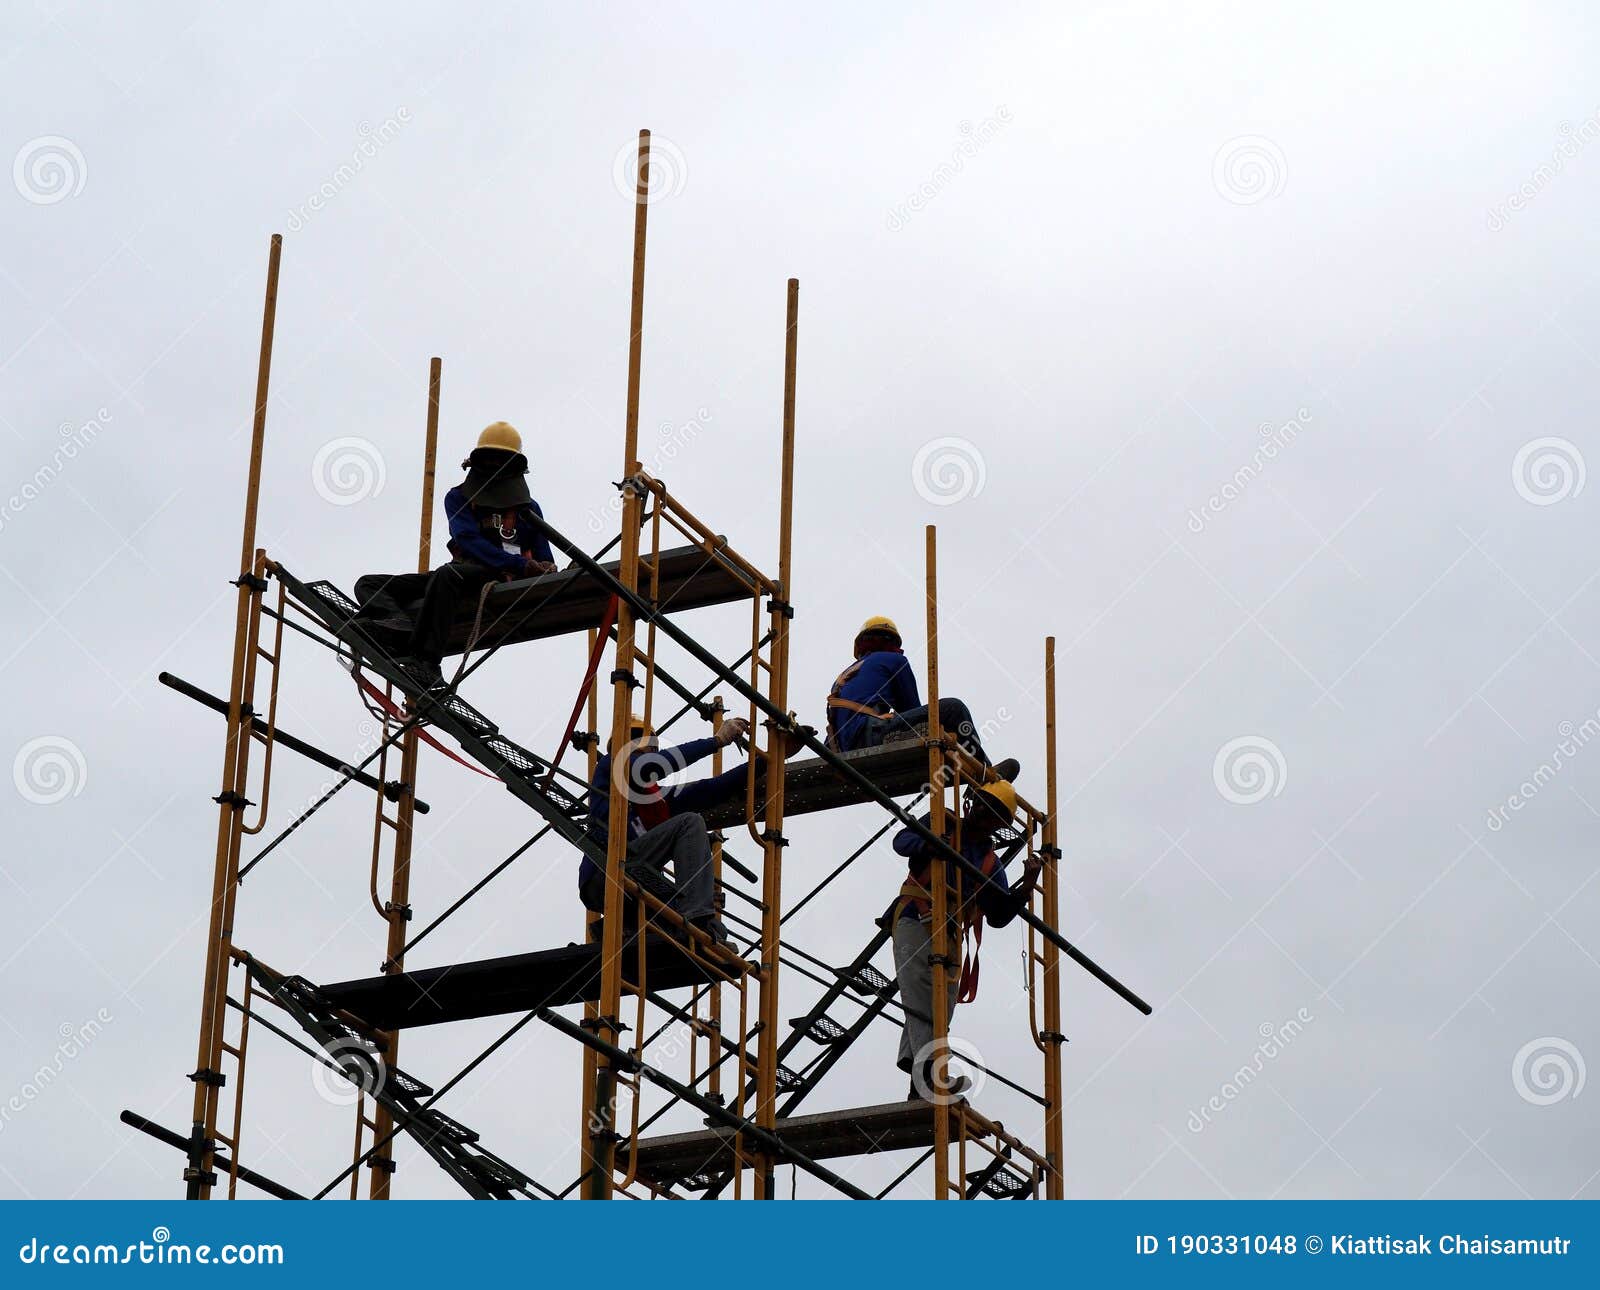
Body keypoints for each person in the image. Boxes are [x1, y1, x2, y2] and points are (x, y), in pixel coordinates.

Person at [355, 421, 557, 688]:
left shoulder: (528, 509)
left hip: (500, 577)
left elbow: (545, 555)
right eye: (491, 460)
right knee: (369, 584)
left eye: (502, 461)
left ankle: (427, 664)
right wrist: (521, 563)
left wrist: (543, 567)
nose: (496, 467)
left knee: (448, 575)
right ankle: (399, 627)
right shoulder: (460, 497)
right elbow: (466, 538)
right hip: (467, 570)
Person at [884, 778, 1042, 1100]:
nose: (982, 820)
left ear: (997, 826)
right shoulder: (943, 823)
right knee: (920, 995)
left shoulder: (988, 863)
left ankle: (920, 1086)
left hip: (950, 935)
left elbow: (997, 914)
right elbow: (901, 841)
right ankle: (931, 1077)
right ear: (973, 805)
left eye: (991, 818)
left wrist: (1026, 886)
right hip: (915, 919)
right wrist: (929, 843)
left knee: (940, 1006)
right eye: (982, 811)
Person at [581, 713, 752, 946]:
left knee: (715, 930)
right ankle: (694, 920)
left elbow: (709, 790)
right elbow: (649, 766)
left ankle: (638, 926)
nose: (652, 752)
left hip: (632, 878)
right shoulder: (612, 764)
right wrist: (717, 741)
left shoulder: (655, 799)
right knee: (689, 823)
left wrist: (767, 761)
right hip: (606, 873)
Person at [824, 615, 1015, 773]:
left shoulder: (843, 677)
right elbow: (912, 710)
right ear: (892, 642)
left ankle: (978, 772)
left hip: (838, 749)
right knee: (952, 709)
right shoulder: (894, 660)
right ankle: (985, 772)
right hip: (868, 736)